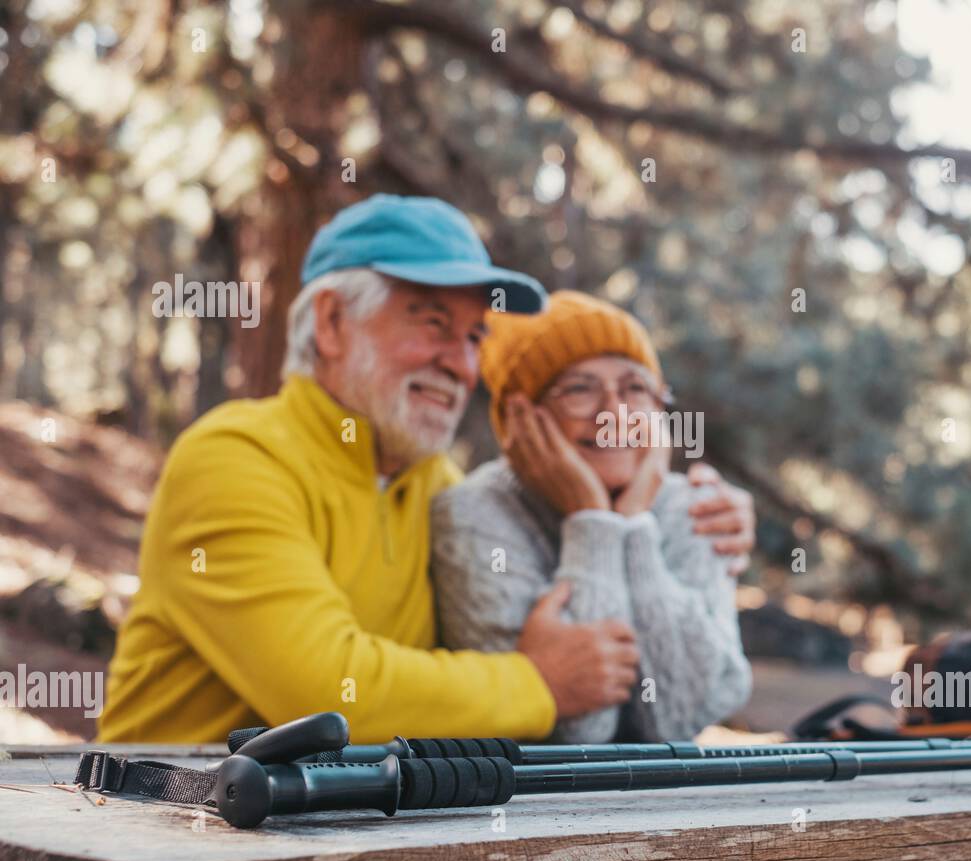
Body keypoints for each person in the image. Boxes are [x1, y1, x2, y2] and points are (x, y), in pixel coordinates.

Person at [97, 195, 757, 744]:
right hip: (161, 826)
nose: (462, 365)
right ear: (331, 324)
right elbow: (325, 693)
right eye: (433, 321)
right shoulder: (233, 458)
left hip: (326, 834)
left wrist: (685, 513)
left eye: (473, 338)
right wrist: (540, 682)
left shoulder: (437, 488)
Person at [431, 291, 752, 742]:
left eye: (635, 389)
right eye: (579, 389)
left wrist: (635, 524)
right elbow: (576, 734)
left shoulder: (695, 507)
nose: (614, 415)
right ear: (519, 420)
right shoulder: (472, 516)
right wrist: (593, 523)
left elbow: (679, 720)